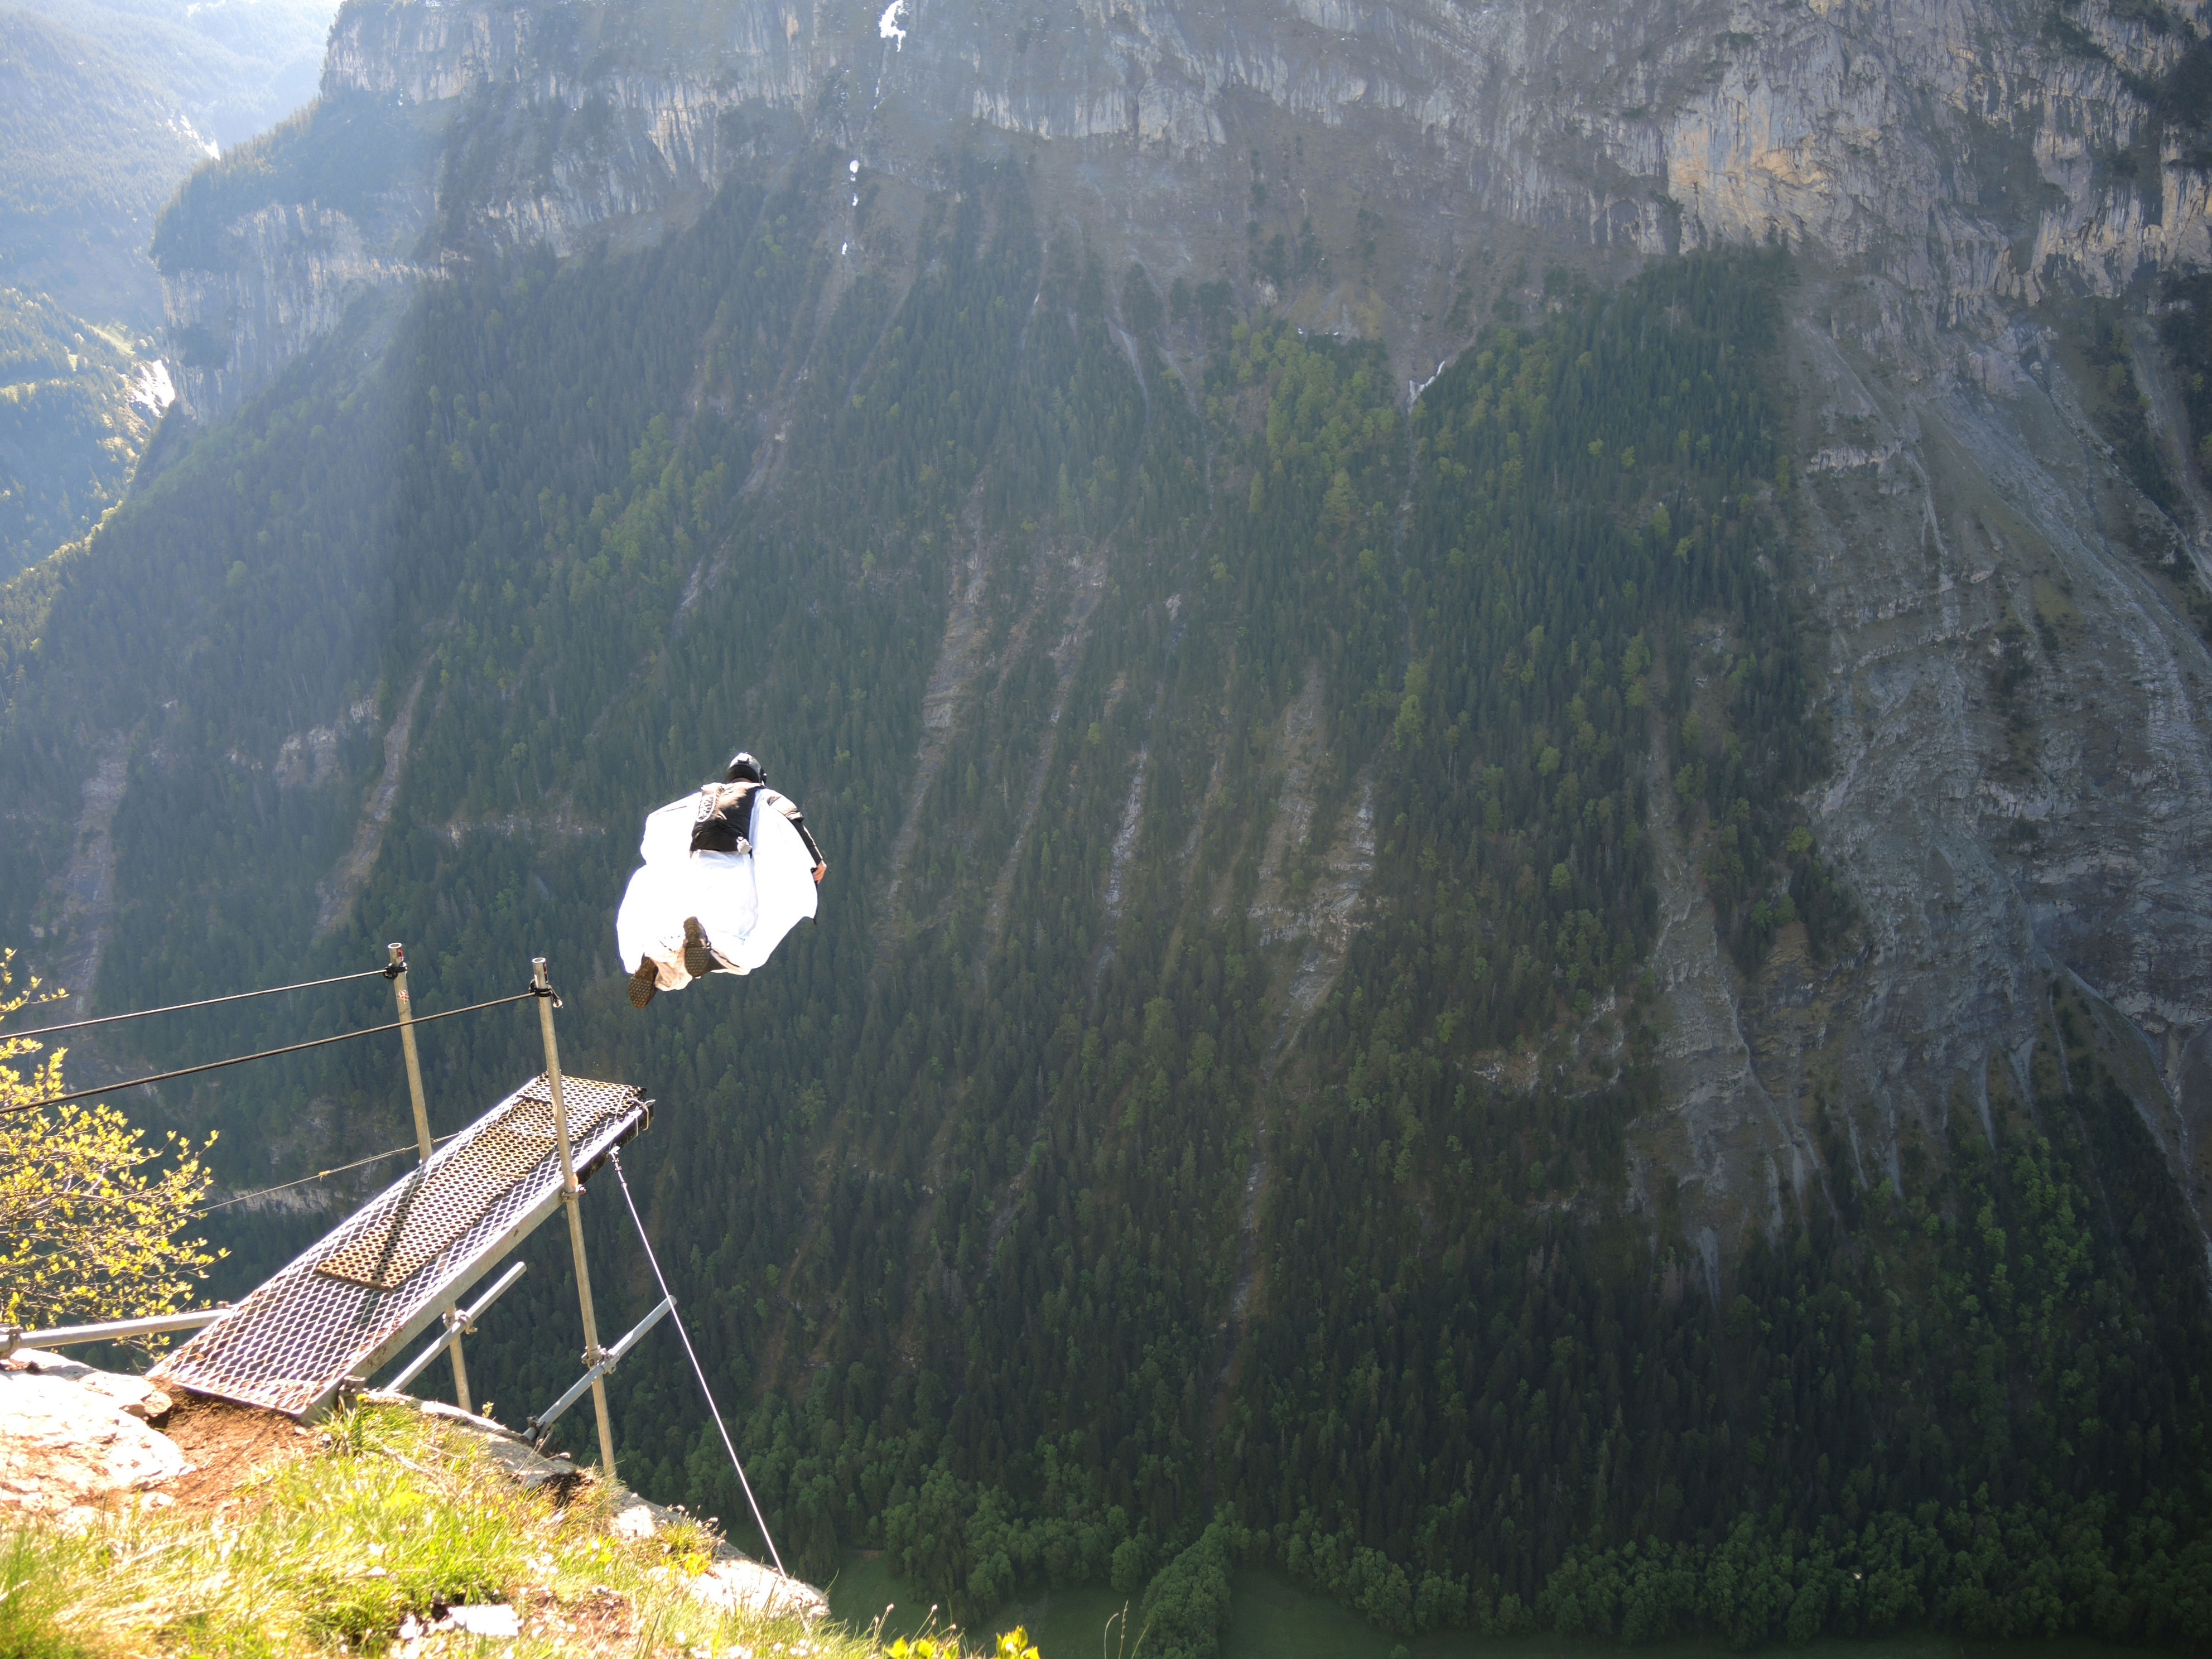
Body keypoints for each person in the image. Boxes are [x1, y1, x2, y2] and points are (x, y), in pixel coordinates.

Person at [619, 751, 828, 1008]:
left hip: (697, 874)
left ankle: (658, 952)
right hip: (736, 875)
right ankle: (705, 942)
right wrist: (816, 859)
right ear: (759, 778)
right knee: (746, 957)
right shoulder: (765, 797)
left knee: (684, 957)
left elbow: (661, 820)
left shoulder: (702, 800)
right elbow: (792, 817)